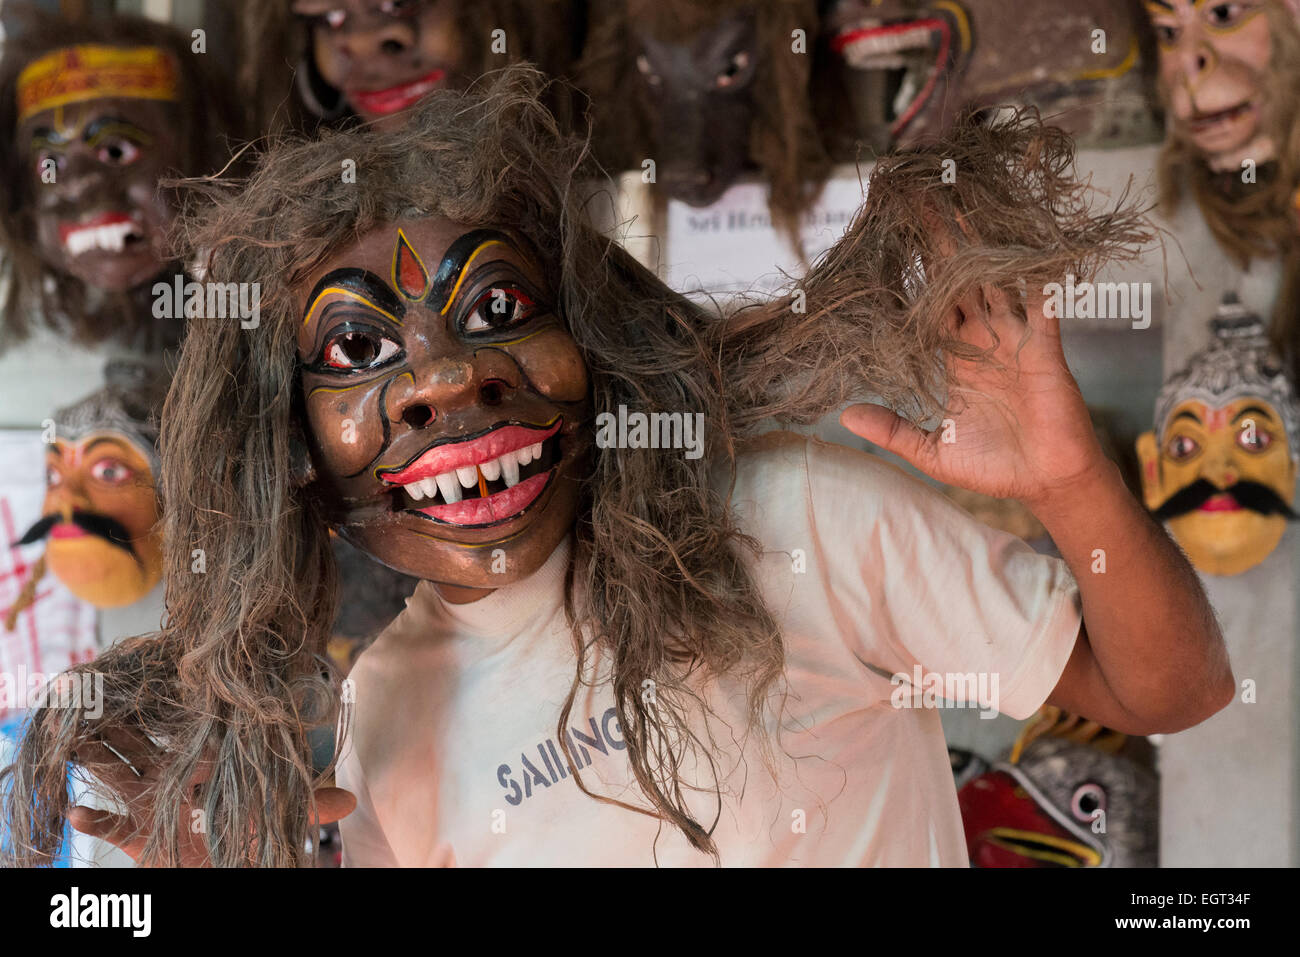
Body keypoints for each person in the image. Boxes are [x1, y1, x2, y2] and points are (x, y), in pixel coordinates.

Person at [0, 68, 1231, 867]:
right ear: (292, 457)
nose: (446, 379)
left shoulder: (796, 513)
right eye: (361, 347)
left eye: (496, 308)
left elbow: (1170, 693)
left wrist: (1073, 483)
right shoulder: (385, 706)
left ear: (590, 343)